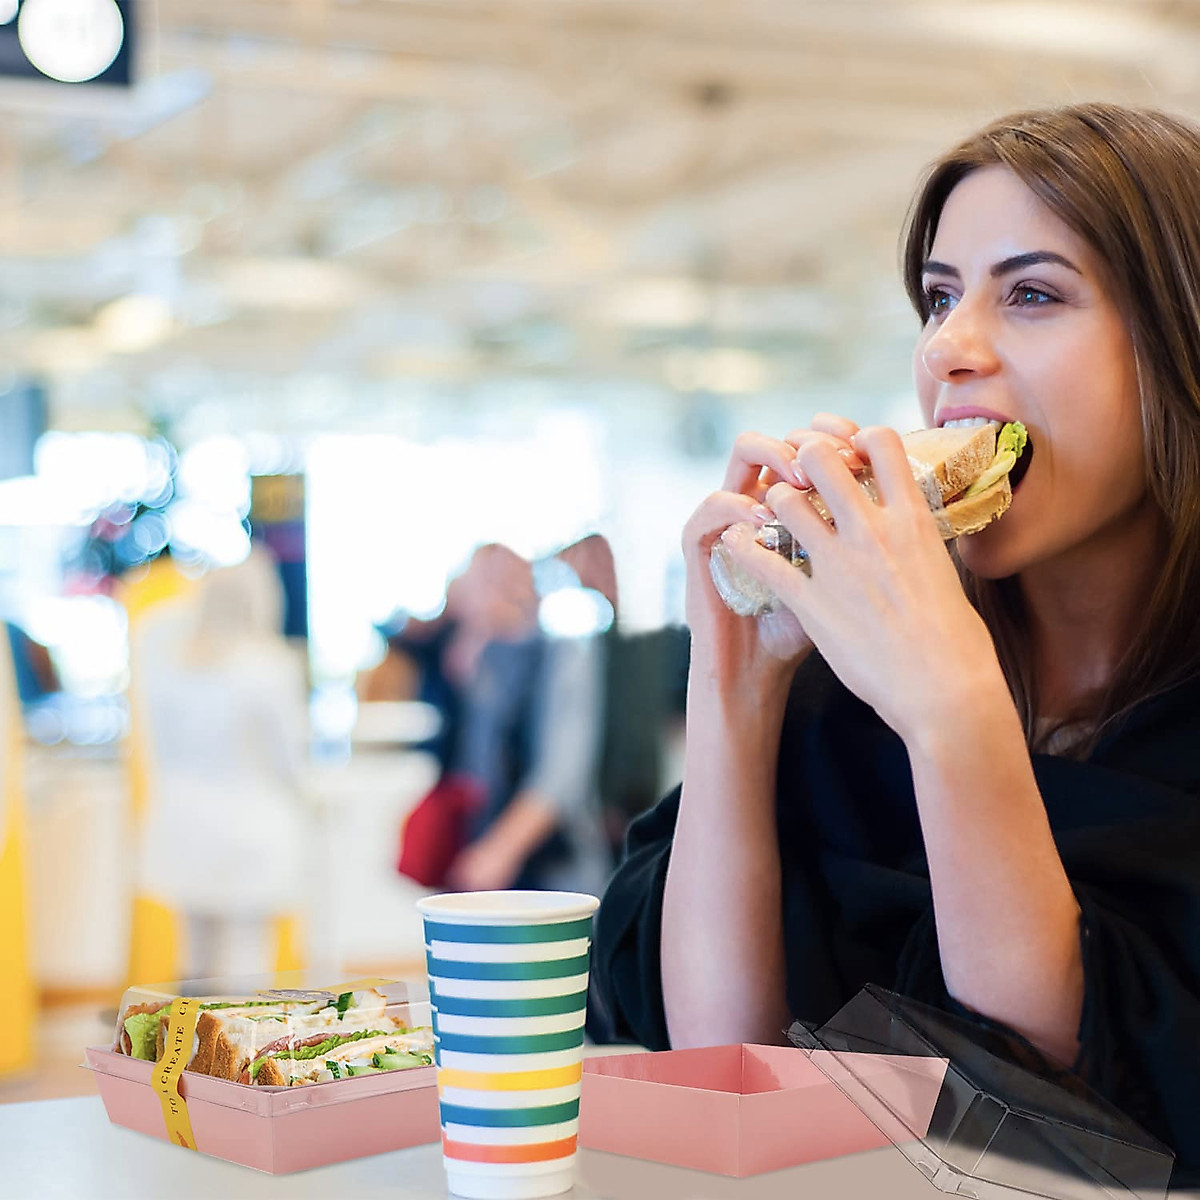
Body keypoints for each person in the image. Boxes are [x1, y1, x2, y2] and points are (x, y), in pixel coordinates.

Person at [592, 102, 1200, 1182]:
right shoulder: (845, 678)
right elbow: (720, 1064)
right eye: (939, 297)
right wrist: (737, 685)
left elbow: (1057, 1125)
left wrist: (954, 717)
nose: (948, 348)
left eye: (1032, 294)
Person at [135, 548, 311, 980]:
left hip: (182, 823)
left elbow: (157, 747)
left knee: (193, 957)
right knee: (249, 959)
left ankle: (188, 1027)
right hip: (251, 825)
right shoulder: (270, 666)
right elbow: (291, 757)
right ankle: (241, 1028)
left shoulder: (170, 667)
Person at [444, 540, 612, 898]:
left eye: (501, 580)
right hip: (491, 860)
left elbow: (561, 776)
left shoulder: (564, 654)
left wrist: (499, 851)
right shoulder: (483, 662)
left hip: (556, 867)